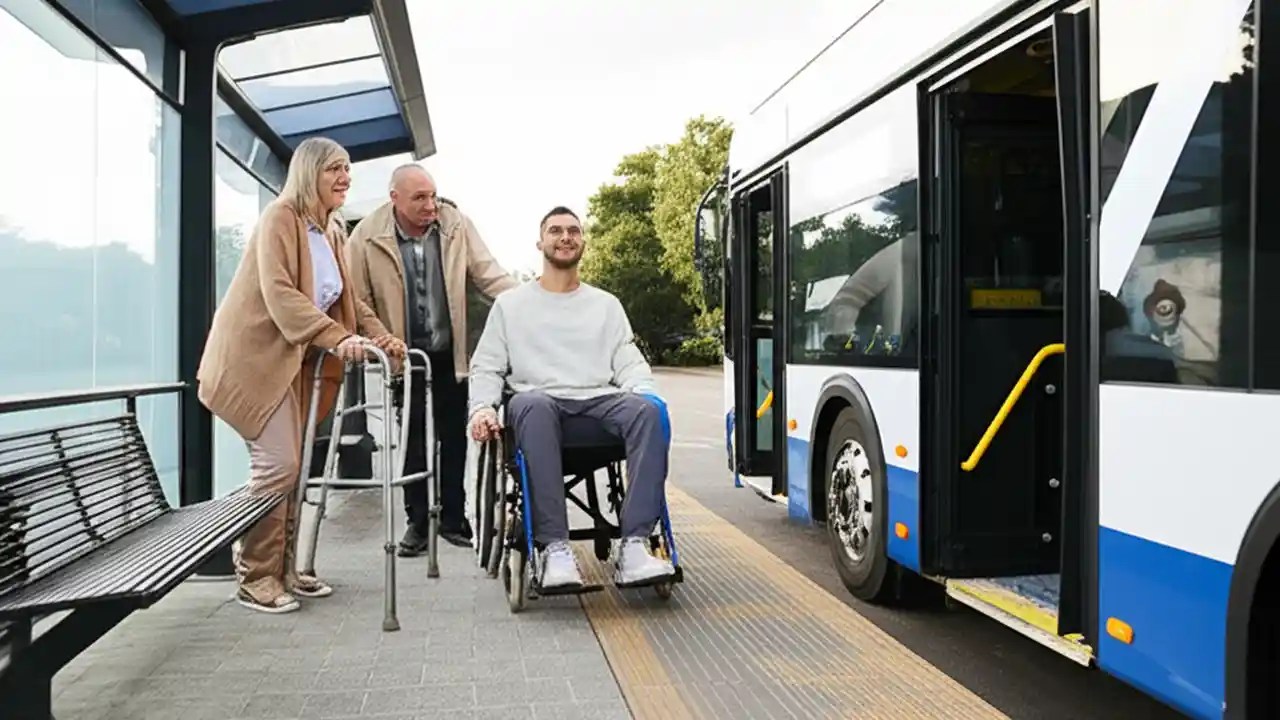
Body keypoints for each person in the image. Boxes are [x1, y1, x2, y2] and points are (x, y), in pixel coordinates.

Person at [198, 136, 406, 614]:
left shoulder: (331, 232)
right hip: (254, 361)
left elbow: (350, 303)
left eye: (348, 170)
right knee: (278, 466)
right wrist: (337, 338)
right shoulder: (280, 218)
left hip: (292, 364)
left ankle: (284, 568)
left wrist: (381, 337)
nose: (344, 178)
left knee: (295, 468)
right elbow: (280, 292)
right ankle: (255, 576)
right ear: (309, 172)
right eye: (335, 168)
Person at [468, 206, 676, 591]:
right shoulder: (511, 305)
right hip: (539, 406)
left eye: (573, 231)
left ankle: (634, 546)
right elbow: (488, 367)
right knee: (532, 404)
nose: (565, 237)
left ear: (583, 241)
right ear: (540, 242)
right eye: (556, 231)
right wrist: (482, 407)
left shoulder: (605, 305)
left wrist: (646, 393)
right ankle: (555, 550)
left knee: (647, 412)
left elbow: (628, 361)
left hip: (598, 403)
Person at [346, 164, 518, 554]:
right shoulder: (366, 236)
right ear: (395, 199)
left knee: (454, 438)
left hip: (450, 355)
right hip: (404, 358)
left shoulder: (455, 223)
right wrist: (382, 338)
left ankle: (454, 520)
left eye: (433, 196)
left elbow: (488, 274)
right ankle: (418, 524)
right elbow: (355, 298)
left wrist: (530, 301)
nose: (431, 205)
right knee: (412, 442)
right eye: (420, 198)